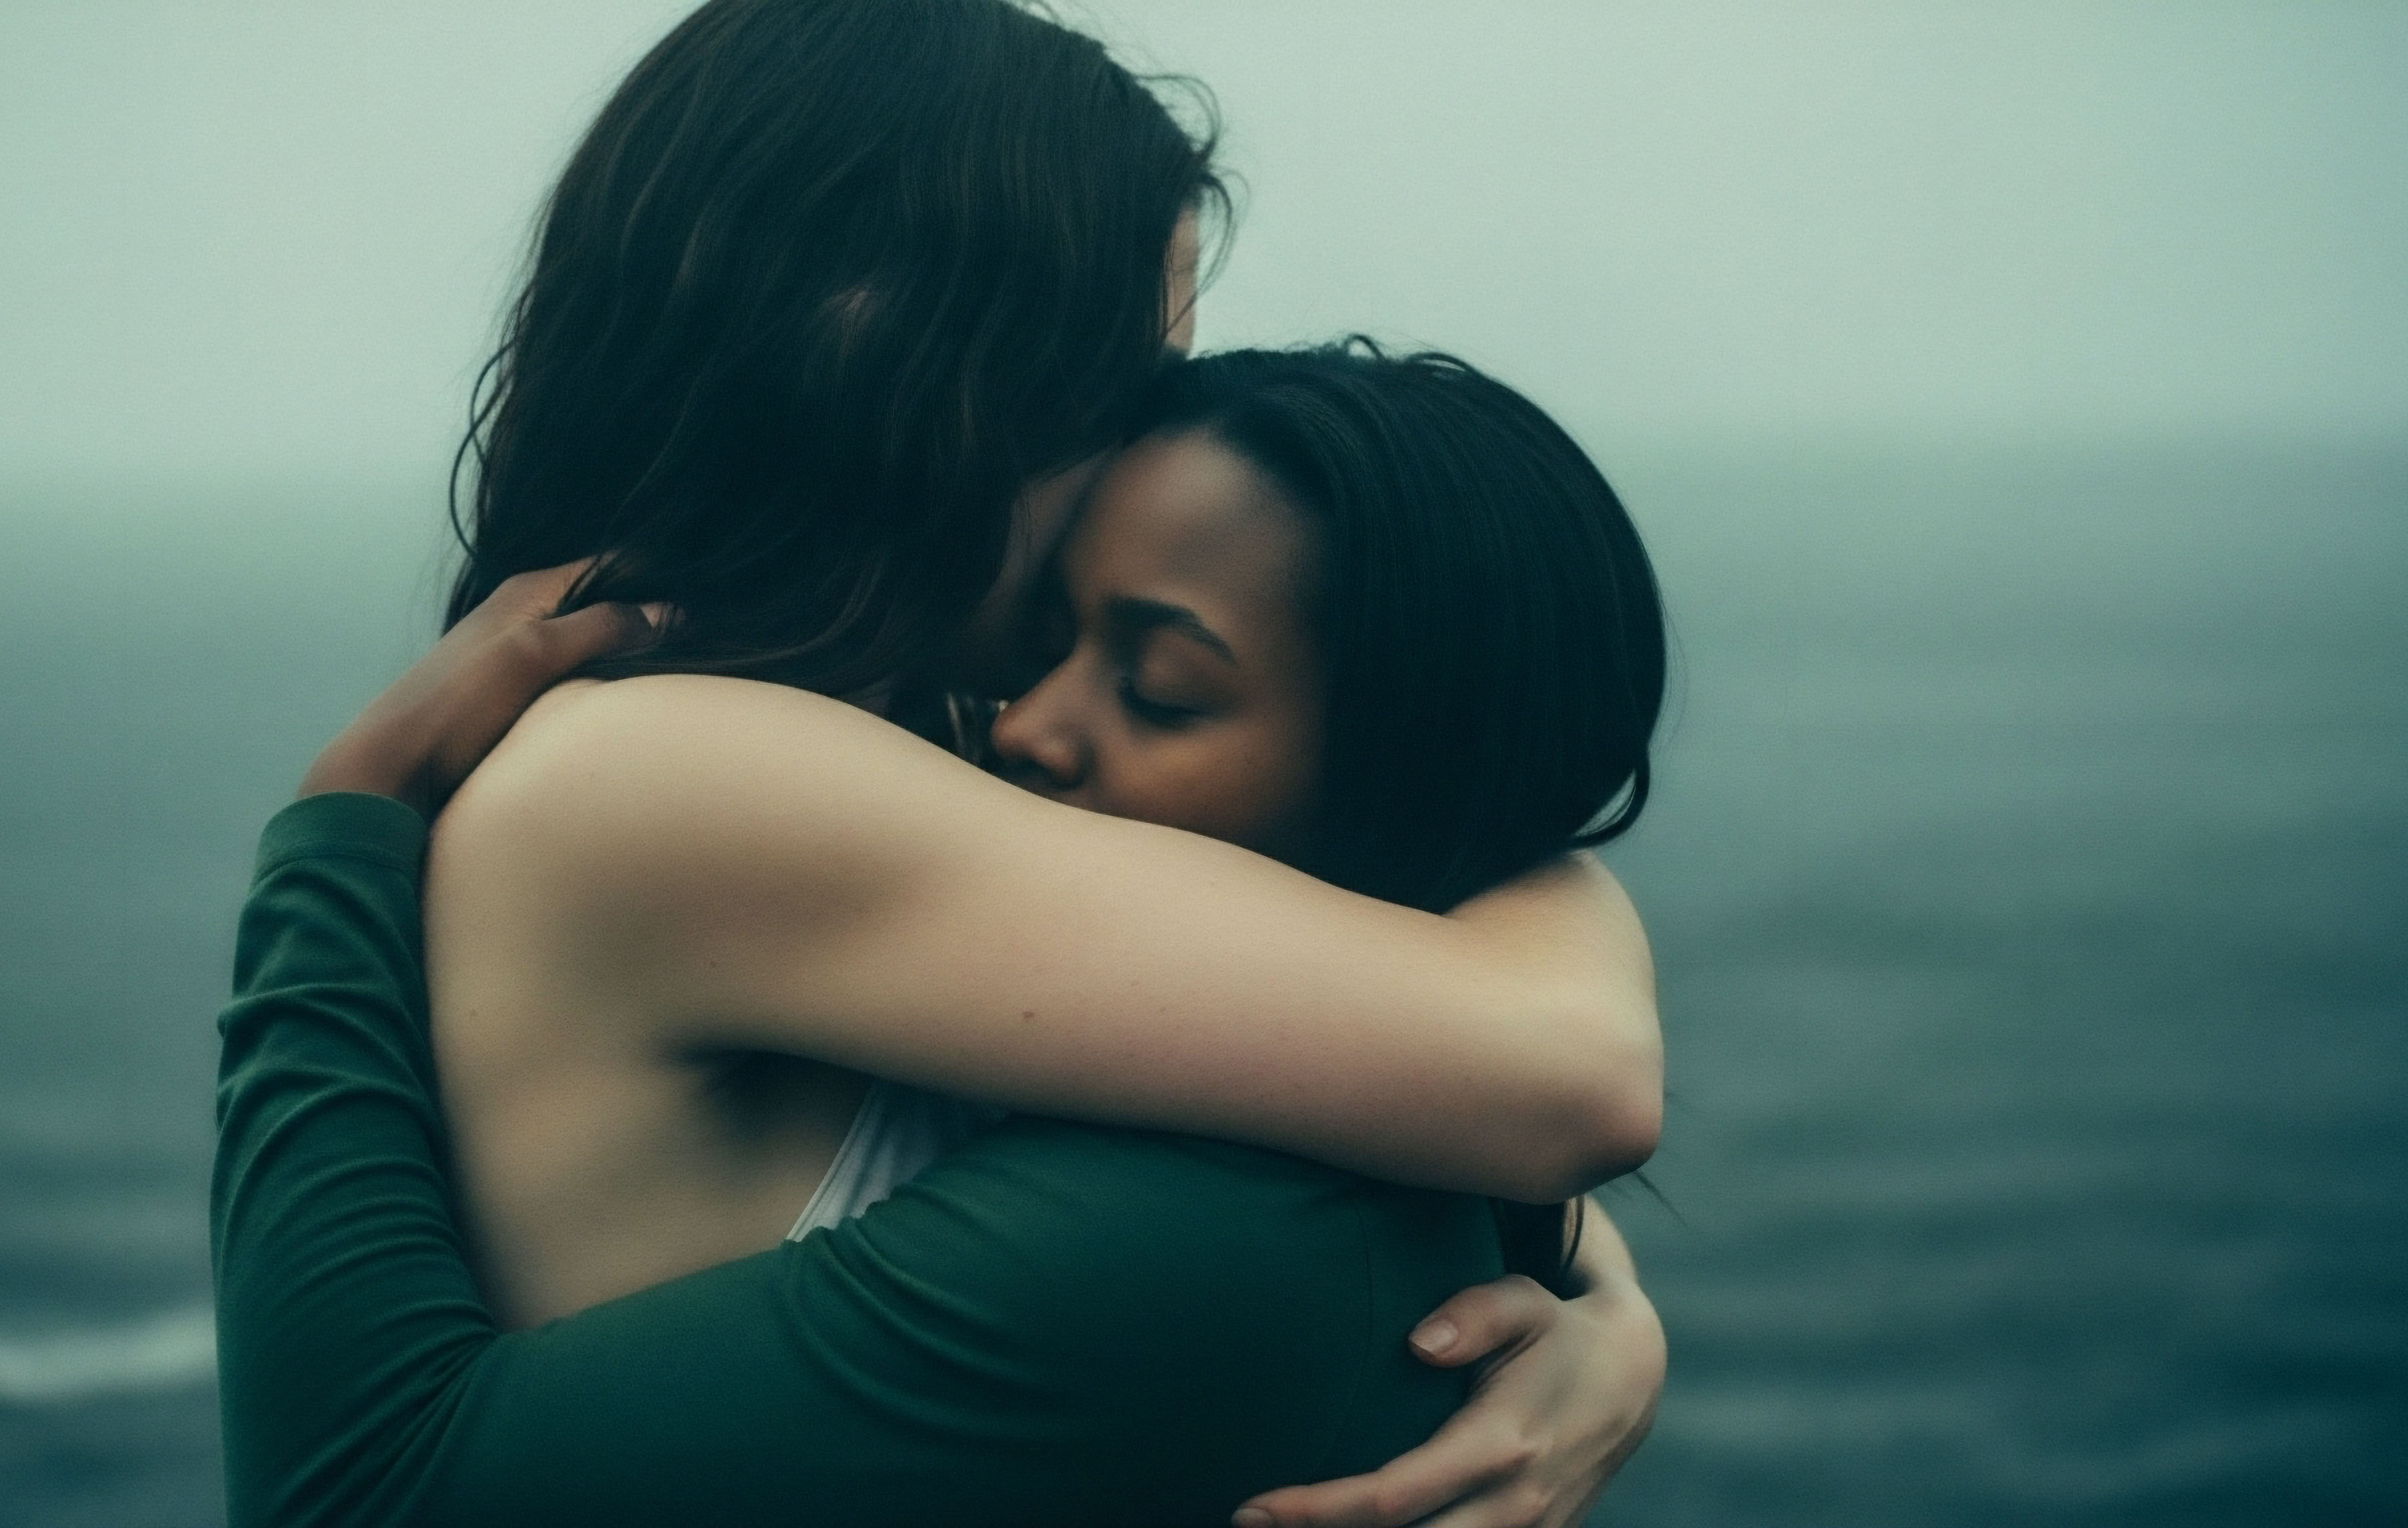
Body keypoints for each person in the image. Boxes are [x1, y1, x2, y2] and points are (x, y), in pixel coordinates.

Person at [213, 3, 1666, 1524]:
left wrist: (1606, 1306)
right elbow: (1558, 1069)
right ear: (912, 364)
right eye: (1126, 389)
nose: (1139, 455)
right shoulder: (686, 774)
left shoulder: (905, 756)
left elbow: (1389, 1061)